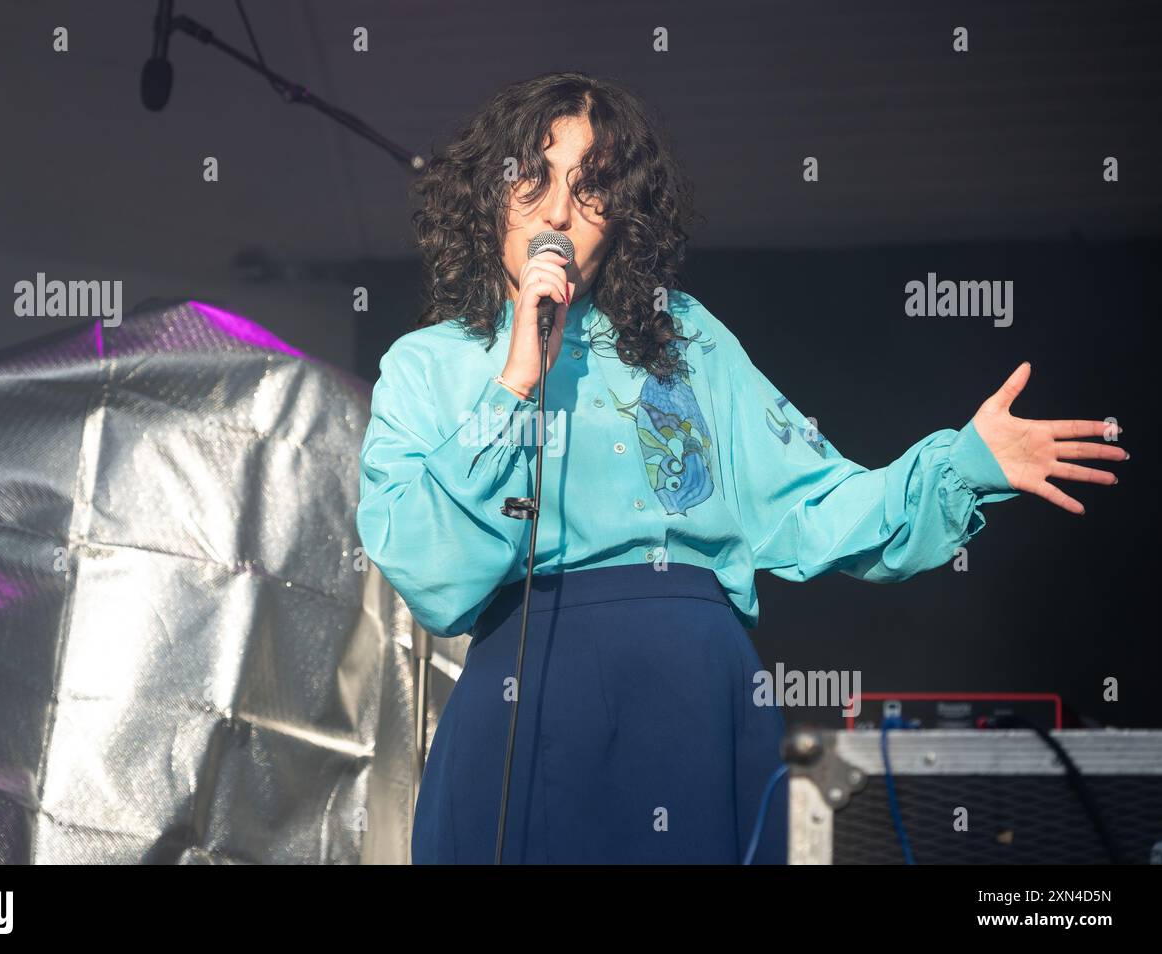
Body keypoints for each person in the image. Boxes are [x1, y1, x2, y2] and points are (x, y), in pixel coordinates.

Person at [355, 71, 1128, 864]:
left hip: (689, 696)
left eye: (590, 190)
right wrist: (516, 381)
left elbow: (812, 505)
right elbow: (430, 574)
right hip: (526, 702)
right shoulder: (426, 365)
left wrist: (962, 466)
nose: (557, 213)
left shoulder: (684, 339)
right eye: (534, 177)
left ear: (621, 220)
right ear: (492, 190)